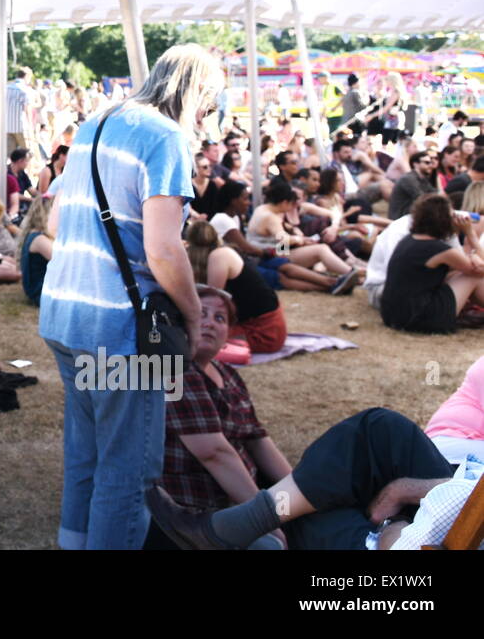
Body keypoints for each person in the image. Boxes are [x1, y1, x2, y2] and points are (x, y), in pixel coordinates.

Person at [40, 43, 222, 550]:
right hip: (119, 330)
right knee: (128, 470)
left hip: (65, 315)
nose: (210, 117)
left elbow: (55, 222)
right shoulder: (166, 138)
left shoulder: (96, 123)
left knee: (87, 454)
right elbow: (164, 251)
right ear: (199, 95)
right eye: (212, 104)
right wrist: (192, 313)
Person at [147, 406, 464, 550]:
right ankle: (234, 529)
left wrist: (390, 527)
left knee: (306, 515)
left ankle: (229, 531)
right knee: (382, 429)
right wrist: (402, 490)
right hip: (461, 498)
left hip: (421, 536)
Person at [144, 285, 291, 550]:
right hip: (194, 511)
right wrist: (266, 518)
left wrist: (299, 490)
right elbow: (214, 454)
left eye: (220, 318)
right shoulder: (176, 372)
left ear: (228, 336)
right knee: (269, 546)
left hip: (240, 497)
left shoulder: (227, 373)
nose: (210, 323)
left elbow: (258, 439)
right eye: (201, 313)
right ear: (182, 321)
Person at [381, 193, 484, 334]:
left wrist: (471, 258)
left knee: (458, 273)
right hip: (420, 317)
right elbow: (479, 270)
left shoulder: (409, 240)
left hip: (393, 315)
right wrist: (470, 234)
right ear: (443, 220)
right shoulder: (440, 250)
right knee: (473, 276)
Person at [185, 222, 287, 354]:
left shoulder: (220, 255)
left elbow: (211, 304)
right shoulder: (223, 252)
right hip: (270, 327)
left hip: (264, 333)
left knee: (189, 339)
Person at [245, 182, 360, 294]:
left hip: (265, 254)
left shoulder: (262, 209)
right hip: (268, 257)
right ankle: (350, 274)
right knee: (321, 249)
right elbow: (283, 241)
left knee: (319, 247)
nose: (293, 206)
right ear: (285, 202)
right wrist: (299, 239)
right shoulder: (271, 217)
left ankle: (349, 273)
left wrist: (298, 238)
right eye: (291, 203)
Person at [16, 194, 53, 307]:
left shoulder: (34, 234)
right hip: (41, 292)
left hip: (38, 290)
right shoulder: (40, 239)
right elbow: (64, 264)